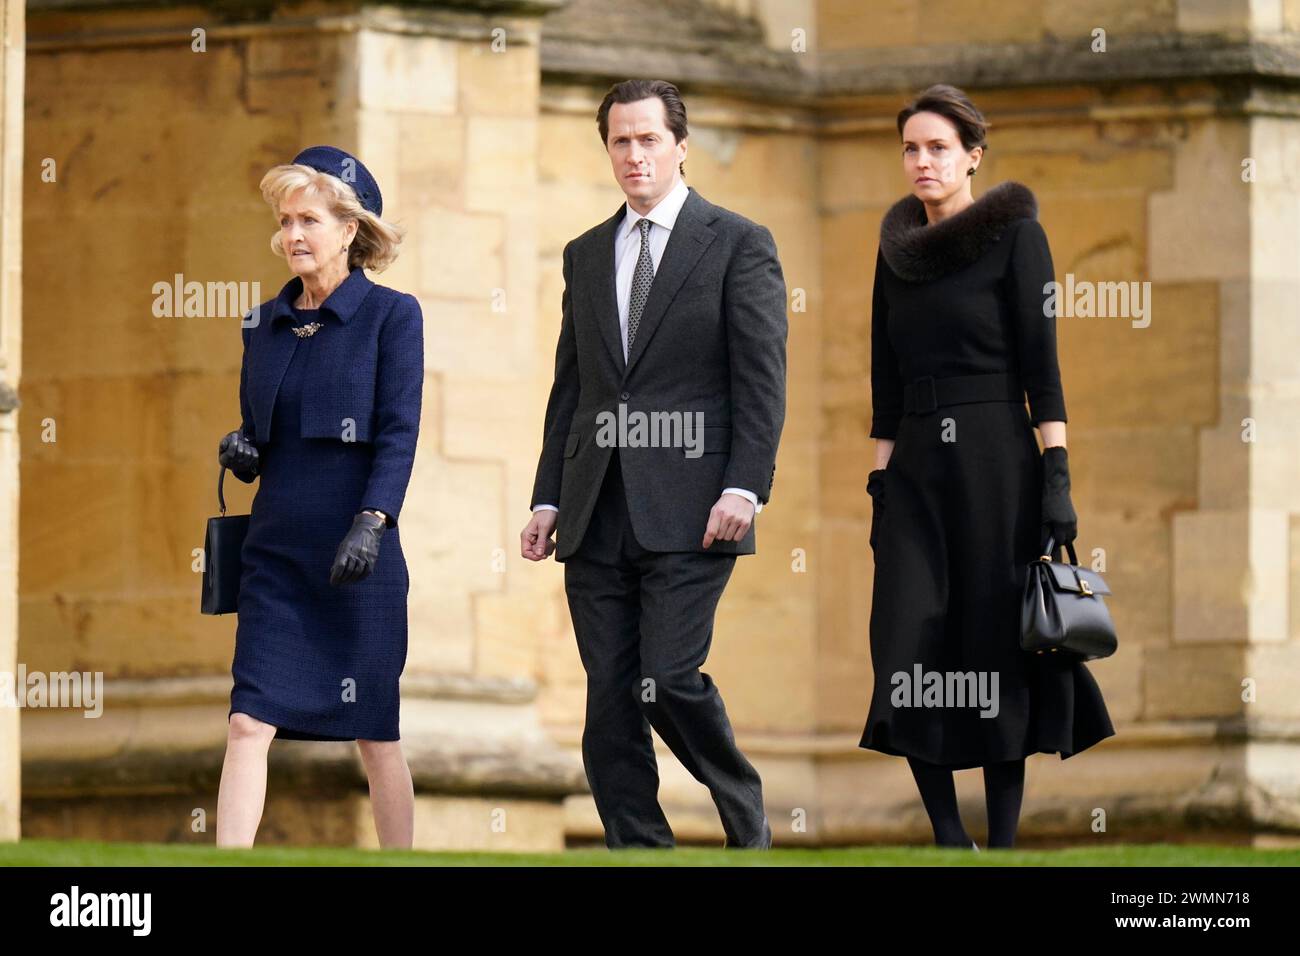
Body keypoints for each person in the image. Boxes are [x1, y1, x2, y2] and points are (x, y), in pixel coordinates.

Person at [520, 79, 788, 849]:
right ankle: (638, 850)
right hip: (596, 504)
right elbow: (572, 386)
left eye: (647, 140)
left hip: (696, 505)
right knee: (608, 698)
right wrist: (548, 499)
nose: (633, 155)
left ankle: (743, 808)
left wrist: (746, 485)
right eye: (619, 141)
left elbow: (761, 380)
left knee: (668, 676)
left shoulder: (739, 242)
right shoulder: (584, 254)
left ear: (680, 145)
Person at [860, 85, 1114, 849]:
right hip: (913, 476)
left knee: (994, 646)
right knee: (901, 643)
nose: (922, 161)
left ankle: (1000, 845)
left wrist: (1057, 476)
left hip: (998, 467)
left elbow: (1045, 370)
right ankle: (948, 837)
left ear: (974, 155)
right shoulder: (895, 249)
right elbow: (883, 382)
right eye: (911, 147)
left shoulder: (1016, 238)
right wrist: (879, 484)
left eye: (938, 147)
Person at [214, 146, 424, 848]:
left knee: (374, 731)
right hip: (276, 552)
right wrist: (243, 449)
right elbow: (261, 433)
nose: (292, 235)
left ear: (350, 228)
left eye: (309, 219)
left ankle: (401, 865)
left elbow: (398, 434)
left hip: (355, 551)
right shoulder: (261, 324)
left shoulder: (393, 317)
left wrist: (372, 523)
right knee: (248, 720)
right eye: (285, 221)